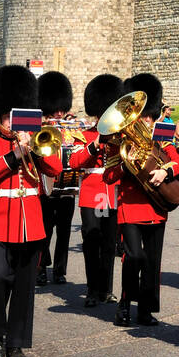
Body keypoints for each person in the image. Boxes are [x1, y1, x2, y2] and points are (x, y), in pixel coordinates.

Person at [0, 65, 61, 357]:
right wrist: (13, 155)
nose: (15, 121)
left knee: (24, 287)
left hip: (31, 224)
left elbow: (56, 171)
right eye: (11, 115)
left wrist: (35, 149)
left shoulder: (36, 141)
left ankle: (15, 344)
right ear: (0, 115)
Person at [106, 73, 179, 328]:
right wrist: (125, 167)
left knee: (152, 262)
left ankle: (146, 309)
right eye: (143, 116)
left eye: (149, 116)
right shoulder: (120, 143)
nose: (146, 121)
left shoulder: (161, 138)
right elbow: (108, 176)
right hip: (130, 208)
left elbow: (177, 161)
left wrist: (165, 171)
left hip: (156, 207)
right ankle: (125, 304)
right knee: (134, 256)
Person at [69, 73, 123, 306]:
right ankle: (92, 290)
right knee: (92, 240)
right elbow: (75, 162)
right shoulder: (85, 135)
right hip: (93, 195)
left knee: (110, 243)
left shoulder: (121, 136)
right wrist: (95, 144)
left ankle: (106, 289)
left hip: (111, 194)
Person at [36, 71, 79, 287]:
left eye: (62, 108)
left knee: (64, 234)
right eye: (56, 108)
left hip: (68, 189)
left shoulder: (72, 128)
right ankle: (41, 267)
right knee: (44, 231)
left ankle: (60, 271)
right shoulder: (40, 128)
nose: (60, 112)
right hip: (47, 188)